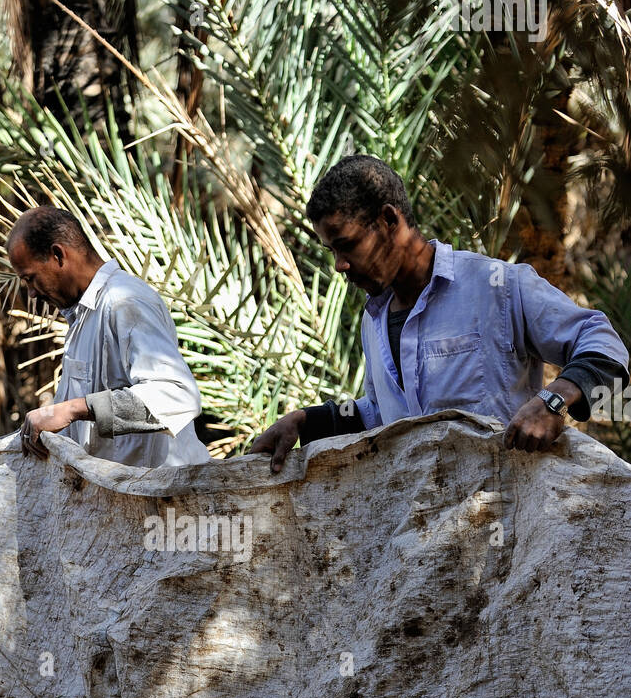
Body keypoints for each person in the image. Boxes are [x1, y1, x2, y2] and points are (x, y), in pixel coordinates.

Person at [248, 155, 629, 472]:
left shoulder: (496, 285)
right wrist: (305, 421)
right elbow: (382, 416)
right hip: (422, 546)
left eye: (346, 246)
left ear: (388, 220)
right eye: (333, 251)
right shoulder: (373, 319)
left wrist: (553, 402)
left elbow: (605, 344)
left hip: (508, 534)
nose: (339, 266)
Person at [9, 206, 209, 467]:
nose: (32, 293)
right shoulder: (83, 317)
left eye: (30, 278)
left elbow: (179, 394)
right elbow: (65, 431)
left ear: (58, 254)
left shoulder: (124, 301)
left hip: (163, 498)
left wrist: (72, 409)